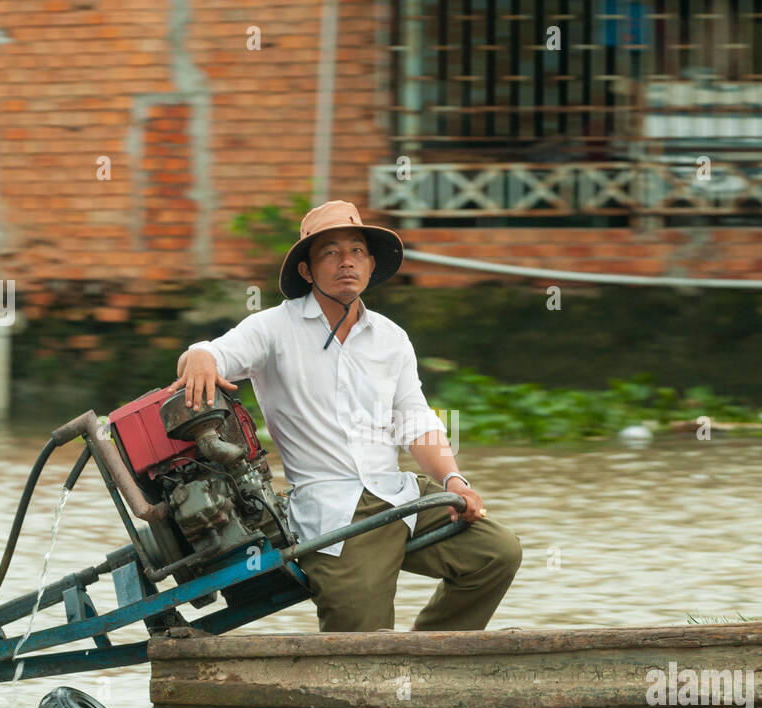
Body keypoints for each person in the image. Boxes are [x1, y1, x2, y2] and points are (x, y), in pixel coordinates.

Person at [174, 200, 521, 632]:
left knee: (497, 553)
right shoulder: (273, 329)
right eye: (330, 253)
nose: (346, 263)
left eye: (357, 251)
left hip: (401, 496)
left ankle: (433, 659)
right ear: (307, 270)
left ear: (371, 264)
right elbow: (212, 353)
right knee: (362, 640)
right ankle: (389, 678)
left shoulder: (391, 338)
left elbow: (416, 420)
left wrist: (454, 481)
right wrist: (200, 355)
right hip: (333, 513)